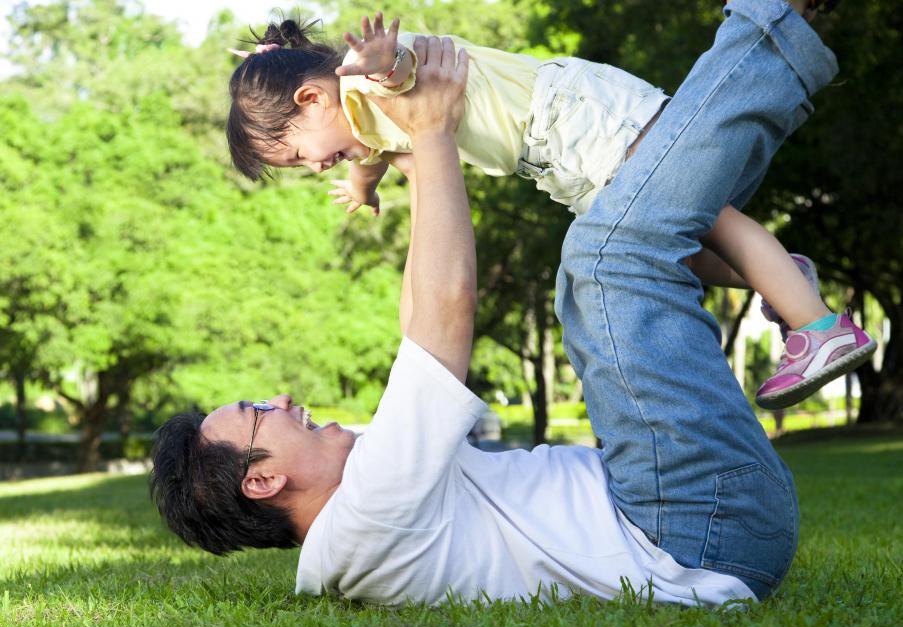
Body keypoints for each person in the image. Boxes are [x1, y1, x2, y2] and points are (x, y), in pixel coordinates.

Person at [152, 0, 853, 606]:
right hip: (693, 528)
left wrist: (420, 153)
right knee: (604, 256)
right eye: (258, 415)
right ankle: (773, 25)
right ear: (264, 478)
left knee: (598, 262)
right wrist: (431, 134)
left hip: (690, 513)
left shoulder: (364, 514)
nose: (278, 399)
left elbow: (415, 331)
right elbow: (442, 320)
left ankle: (773, 265)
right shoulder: (364, 514)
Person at [224, 4, 875, 409]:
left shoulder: (364, 83)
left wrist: (381, 63)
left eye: (296, 154)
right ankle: (785, 276)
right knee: (666, 246)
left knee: (699, 218)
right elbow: (370, 150)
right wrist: (363, 186)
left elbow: (406, 73)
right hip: (557, 158)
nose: (311, 168)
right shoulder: (363, 127)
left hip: (571, 120)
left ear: (312, 98)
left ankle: (817, 328)